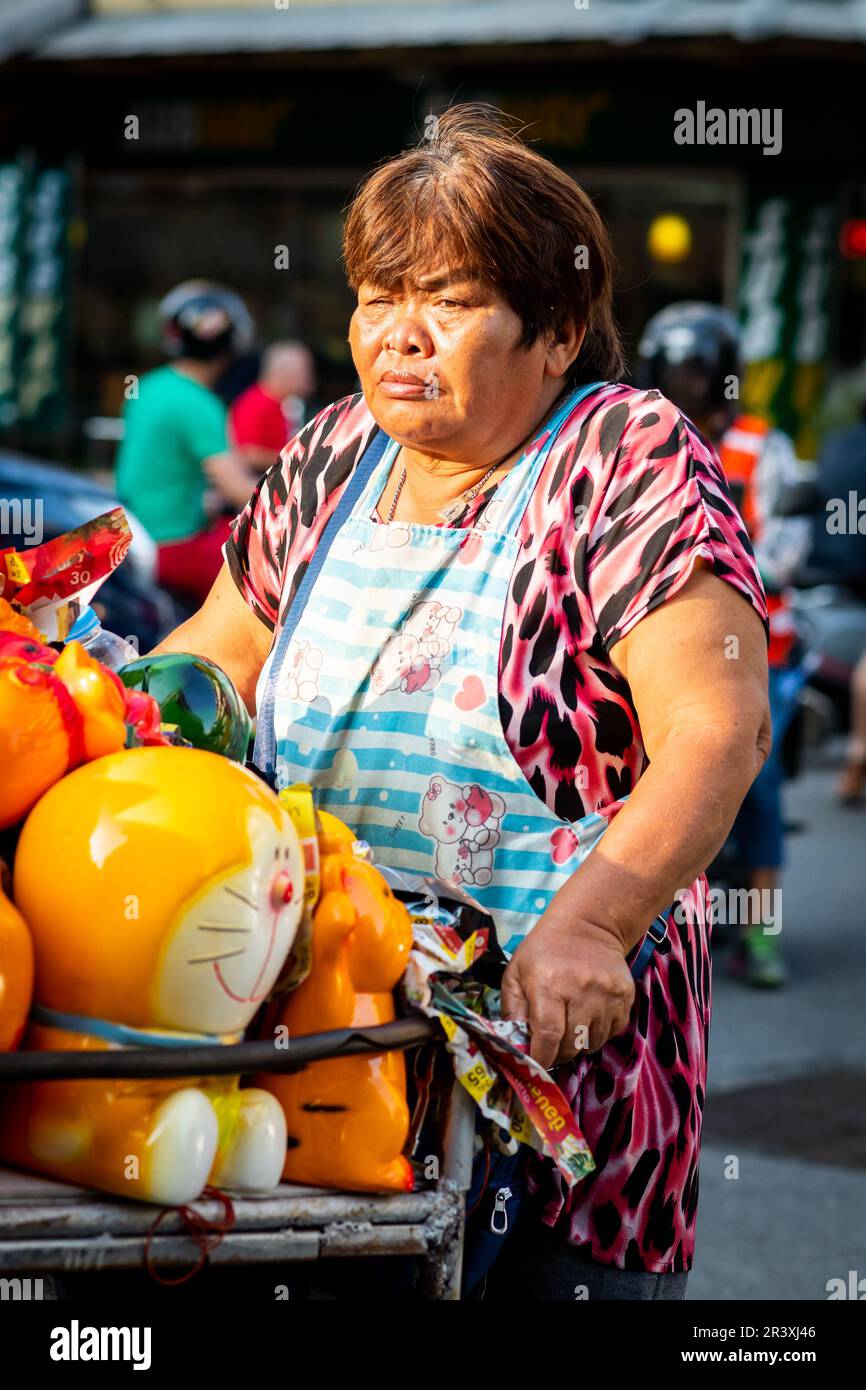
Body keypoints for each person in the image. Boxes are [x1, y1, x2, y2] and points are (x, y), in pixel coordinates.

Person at [154, 105, 770, 1299]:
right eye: (378, 297)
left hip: (554, 1090)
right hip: (327, 1049)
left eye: (445, 300)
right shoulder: (332, 452)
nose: (399, 336)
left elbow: (719, 724)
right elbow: (207, 670)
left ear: (555, 330)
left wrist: (594, 923)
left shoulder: (621, 453)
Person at [636, 301, 811, 987]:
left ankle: (761, 932)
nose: (692, 386)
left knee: (756, 786)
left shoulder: (761, 446)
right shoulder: (641, 440)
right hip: (661, 653)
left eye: (700, 372)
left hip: (763, 661)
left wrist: (717, 578)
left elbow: (790, 545)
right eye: (677, 371)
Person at [116, 281, 261, 605]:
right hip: (173, 547)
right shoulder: (199, 404)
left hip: (134, 536)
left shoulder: (149, 386)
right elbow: (238, 489)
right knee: (257, 573)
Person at [229, 341, 317, 472]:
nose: (310, 377)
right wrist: (299, 458)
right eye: (305, 370)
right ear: (285, 373)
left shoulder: (285, 403)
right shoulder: (255, 404)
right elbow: (248, 454)